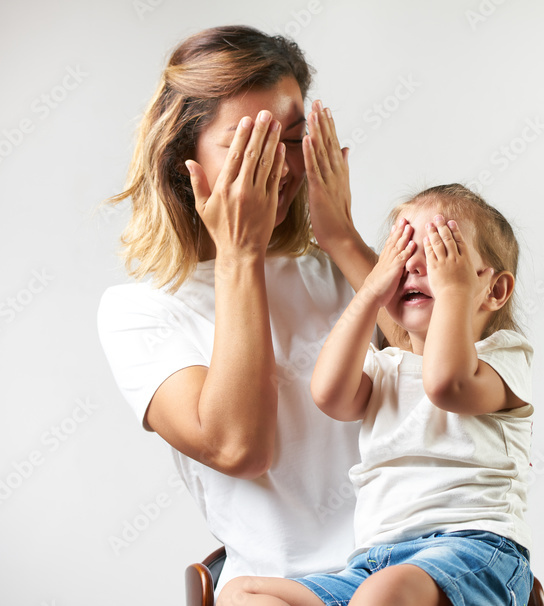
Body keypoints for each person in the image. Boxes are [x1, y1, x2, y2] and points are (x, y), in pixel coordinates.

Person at [96, 25, 401, 596]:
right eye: (248, 145)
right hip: (277, 591)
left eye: (291, 139)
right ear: (184, 157)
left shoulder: (343, 272)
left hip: (410, 577)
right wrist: (241, 255)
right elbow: (240, 447)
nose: (281, 167)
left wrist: (342, 241)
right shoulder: (140, 311)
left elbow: (449, 387)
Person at [218, 184, 535, 606]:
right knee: (241, 592)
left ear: (494, 290)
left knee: (383, 592)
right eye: (403, 254)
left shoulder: (499, 359)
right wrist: (370, 291)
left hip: (474, 550)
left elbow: (445, 385)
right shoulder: (385, 366)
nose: (416, 267)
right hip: (374, 563)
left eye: (443, 252)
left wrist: (454, 291)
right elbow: (328, 393)